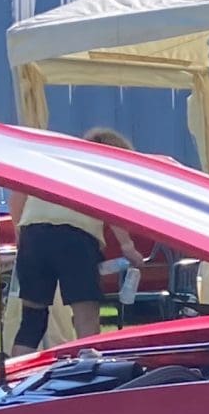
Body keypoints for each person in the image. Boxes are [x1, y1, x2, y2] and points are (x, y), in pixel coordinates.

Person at [9, 126, 147, 354]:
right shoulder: (99, 167)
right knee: (86, 316)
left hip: (33, 236)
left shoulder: (53, 163)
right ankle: (89, 373)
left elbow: (16, 199)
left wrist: (21, 237)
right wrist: (128, 247)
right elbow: (110, 208)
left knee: (32, 320)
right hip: (75, 239)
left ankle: (13, 380)